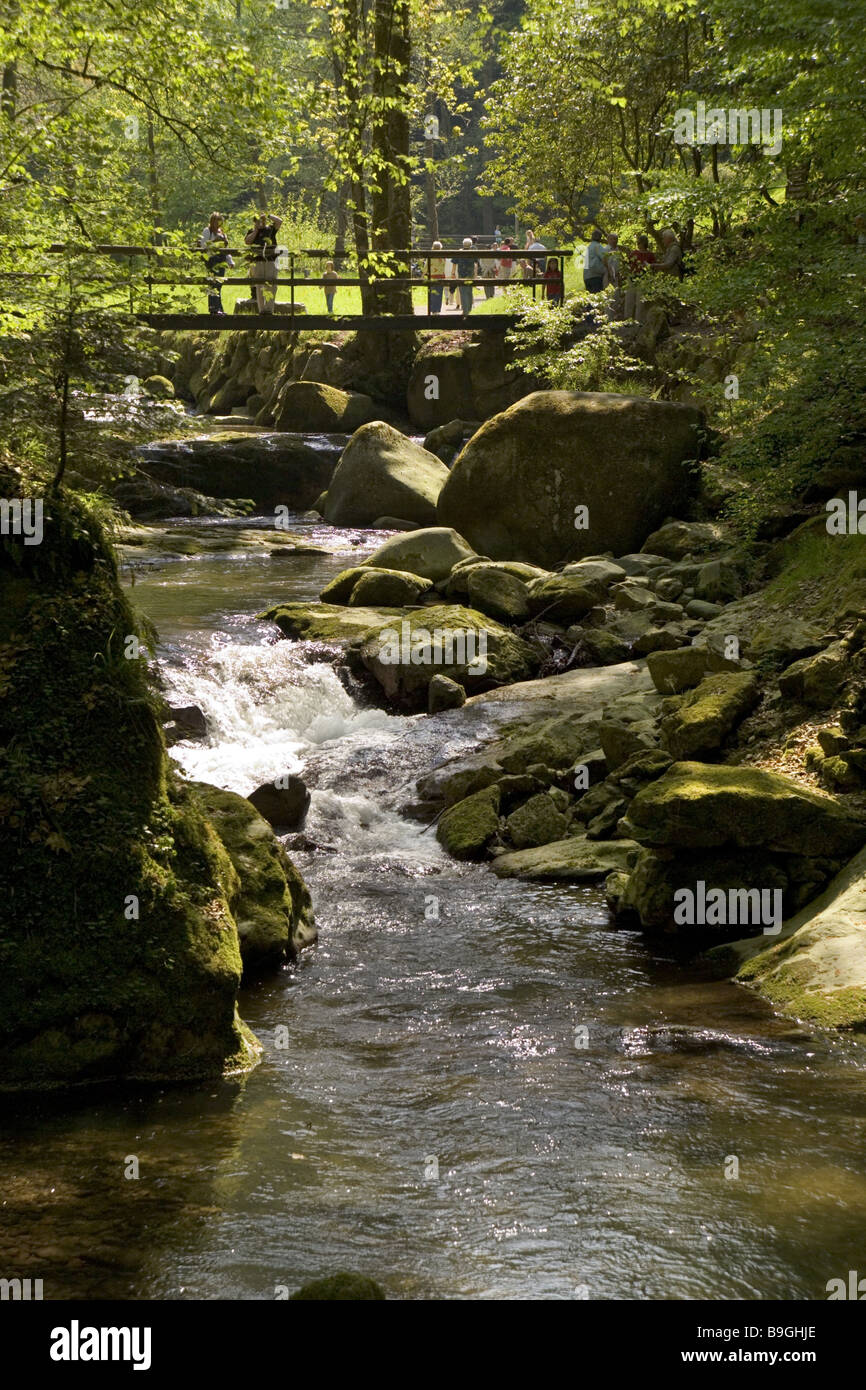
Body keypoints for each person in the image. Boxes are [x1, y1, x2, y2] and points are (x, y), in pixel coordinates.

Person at [244, 211, 283, 313]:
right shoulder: (251, 231)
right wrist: (256, 230)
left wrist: (268, 215)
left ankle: (269, 310)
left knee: (272, 285)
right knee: (260, 286)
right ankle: (262, 311)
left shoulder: (270, 229)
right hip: (258, 262)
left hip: (271, 261)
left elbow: (279, 221)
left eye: (262, 220)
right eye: (258, 221)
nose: (260, 222)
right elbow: (247, 241)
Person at [199, 212, 234, 316]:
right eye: (215, 220)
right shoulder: (207, 231)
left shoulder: (222, 233)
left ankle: (219, 308)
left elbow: (225, 249)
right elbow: (203, 246)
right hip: (211, 260)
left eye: (219, 220)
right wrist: (215, 240)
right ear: (212, 221)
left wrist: (230, 261)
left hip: (221, 259)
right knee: (213, 283)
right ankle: (213, 309)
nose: (217, 223)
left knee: (219, 284)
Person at [623, 234, 656, 319]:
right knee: (629, 300)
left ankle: (639, 320)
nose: (638, 244)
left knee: (640, 301)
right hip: (632, 278)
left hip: (644, 279)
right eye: (637, 242)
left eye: (639, 242)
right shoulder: (634, 253)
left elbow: (653, 267)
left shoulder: (650, 254)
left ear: (644, 243)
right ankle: (628, 319)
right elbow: (627, 264)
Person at [455, 237, 478, 314]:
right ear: (471, 245)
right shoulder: (473, 252)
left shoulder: (459, 252)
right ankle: (469, 309)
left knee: (463, 292)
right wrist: (475, 274)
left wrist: (452, 273)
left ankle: (465, 310)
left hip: (461, 274)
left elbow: (454, 262)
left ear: (463, 244)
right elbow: (476, 263)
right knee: (469, 291)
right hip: (470, 274)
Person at [582, 228, 608, 292]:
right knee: (598, 298)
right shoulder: (598, 246)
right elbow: (604, 259)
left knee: (591, 299)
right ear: (600, 238)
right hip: (596, 276)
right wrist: (609, 270)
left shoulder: (588, 247)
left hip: (587, 277)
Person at [429, 240, 446, 313]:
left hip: (432, 276)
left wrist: (423, 274)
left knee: (432, 293)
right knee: (439, 293)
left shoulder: (431, 255)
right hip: (441, 276)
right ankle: (438, 310)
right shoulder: (443, 256)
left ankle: (433, 309)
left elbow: (427, 265)